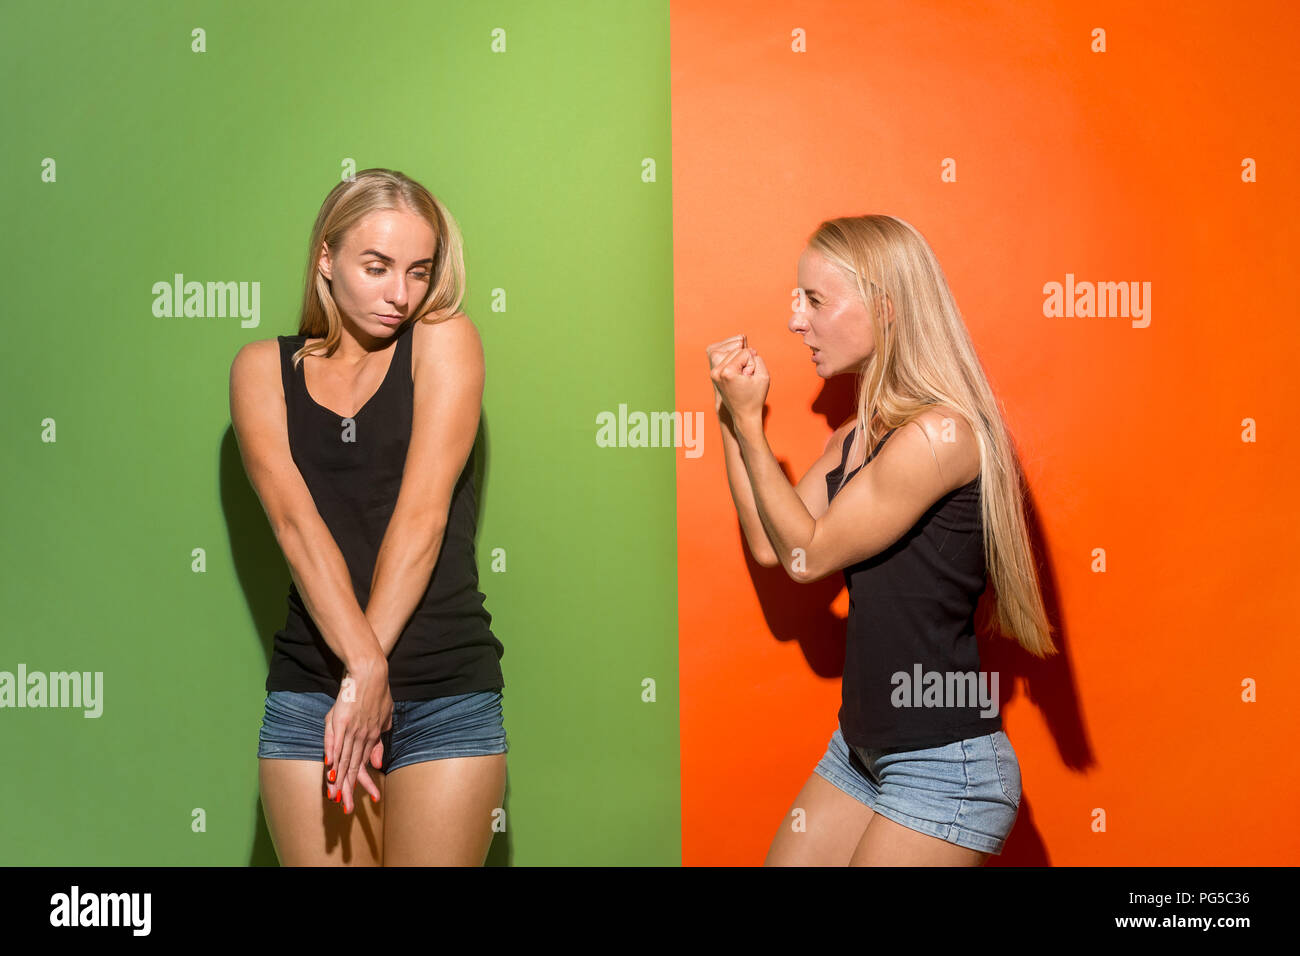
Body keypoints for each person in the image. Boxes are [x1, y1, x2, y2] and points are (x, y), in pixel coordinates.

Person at [708, 214, 1057, 866]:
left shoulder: (939, 436)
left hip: (942, 768)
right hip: (861, 752)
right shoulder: (854, 436)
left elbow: (807, 557)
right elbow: (772, 544)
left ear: (886, 308)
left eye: (815, 300)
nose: (796, 321)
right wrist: (732, 420)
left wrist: (753, 426)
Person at [229, 169, 506, 865]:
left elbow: (422, 518)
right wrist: (357, 674)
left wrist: (363, 679)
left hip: (444, 692)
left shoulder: (443, 339)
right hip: (313, 696)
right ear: (326, 258)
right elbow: (296, 530)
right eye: (377, 267)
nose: (401, 295)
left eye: (419, 271)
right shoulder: (261, 370)